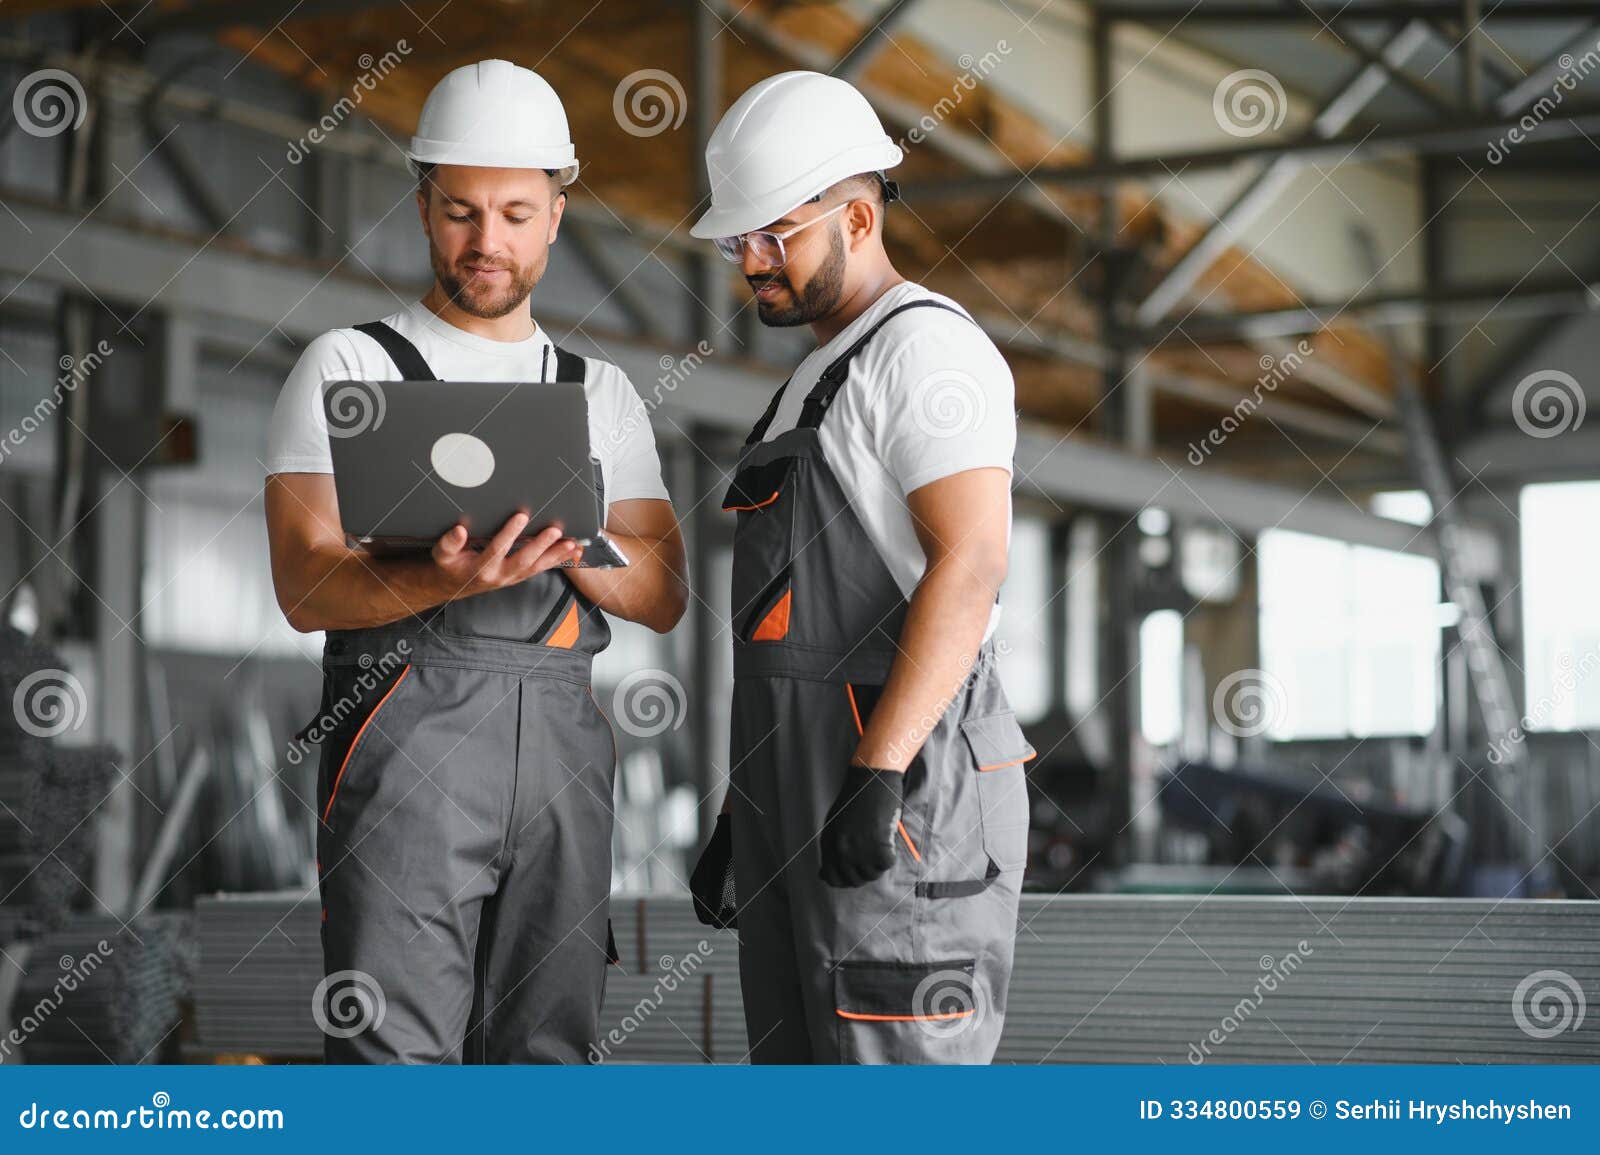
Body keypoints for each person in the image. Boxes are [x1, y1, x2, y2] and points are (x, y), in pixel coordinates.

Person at [263, 59, 687, 1063]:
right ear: (420, 206)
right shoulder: (349, 368)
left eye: (512, 213)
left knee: (549, 1050)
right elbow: (301, 583)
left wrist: (571, 541)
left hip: (562, 758)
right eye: (458, 211)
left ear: (556, 214)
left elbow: (663, 594)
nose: (484, 241)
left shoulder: (602, 394)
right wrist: (439, 579)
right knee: (391, 1055)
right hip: (406, 740)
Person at [686, 70, 1033, 1064]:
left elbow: (970, 562)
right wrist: (743, 813)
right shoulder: (812, 377)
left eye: (771, 234)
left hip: (898, 796)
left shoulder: (924, 356)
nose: (748, 263)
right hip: (799, 794)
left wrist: (877, 772)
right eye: (733, 241)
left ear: (854, 215)